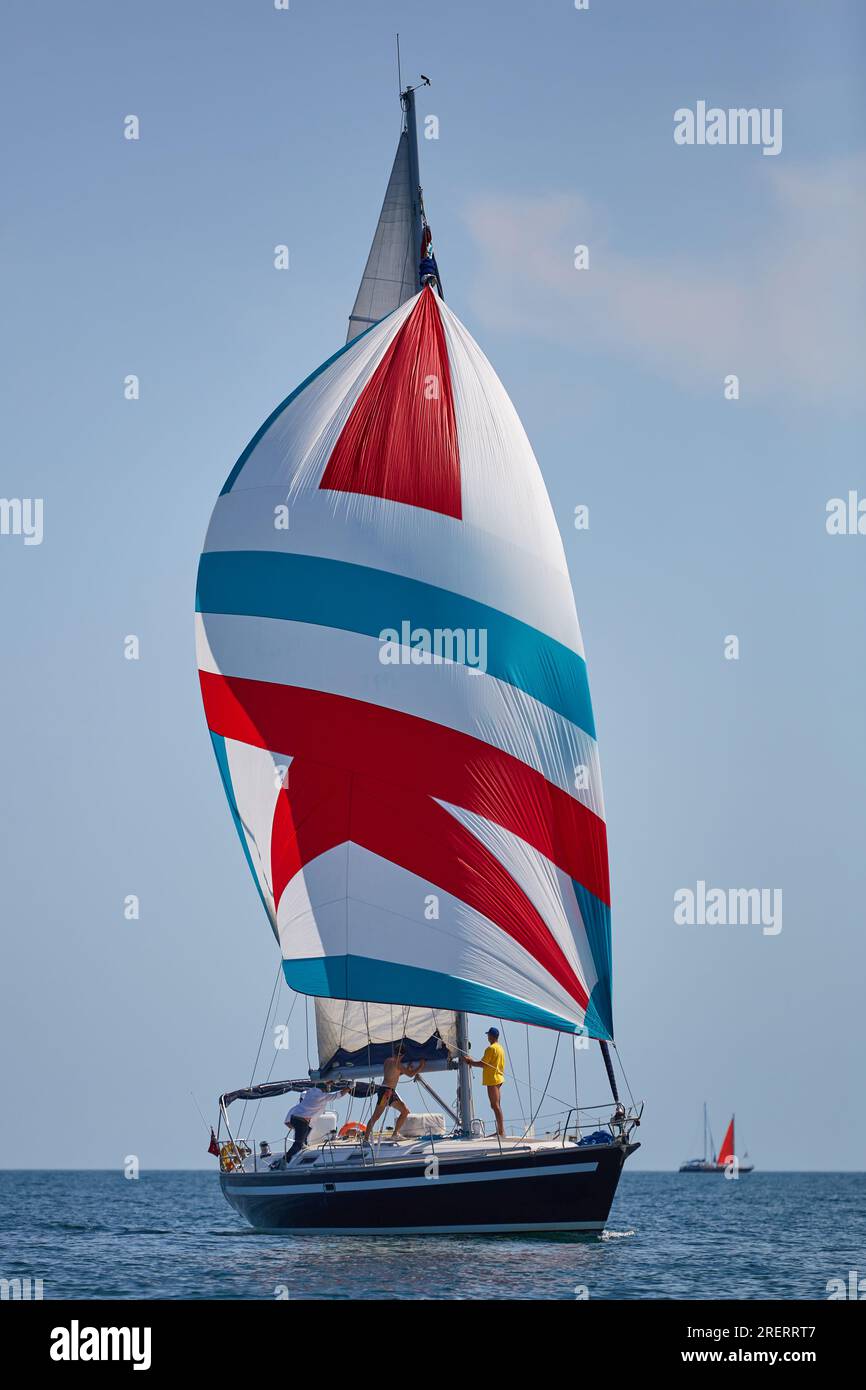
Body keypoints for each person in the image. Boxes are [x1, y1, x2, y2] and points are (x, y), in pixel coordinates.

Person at [364, 1043, 425, 1144]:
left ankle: (393, 1134)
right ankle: (367, 1139)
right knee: (376, 1116)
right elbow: (410, 1074)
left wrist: (405, 1070)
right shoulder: (398, 1064)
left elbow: (393, 1073)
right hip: (387, 1092)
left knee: (404, 1111)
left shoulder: (387, 1061)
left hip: (386, 1090)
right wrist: (421, 1066)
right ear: (403, 1055)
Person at [284, 1082, 347, 1161]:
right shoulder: (322, 1096)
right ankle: (285, 1160)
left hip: (304, 1122)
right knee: (298, 1144)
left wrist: (327, 1081)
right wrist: (349, 1087)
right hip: (302, 1122)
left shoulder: (310, 1092)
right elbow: (338, 1095)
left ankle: (301, 1148)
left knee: (302, 1142)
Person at [468, 1027, 506, 1137]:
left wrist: (470, 1062)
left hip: (492, 1079)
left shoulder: (491, 1049)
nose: (487, 1037)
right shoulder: (500, 1048)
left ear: (492, 1036)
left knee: (495, 1105)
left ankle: (501, 1131)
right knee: (496, 1105)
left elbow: (483, 1064)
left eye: (488, 1035)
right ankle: (500, 1130)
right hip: (499, 1078)